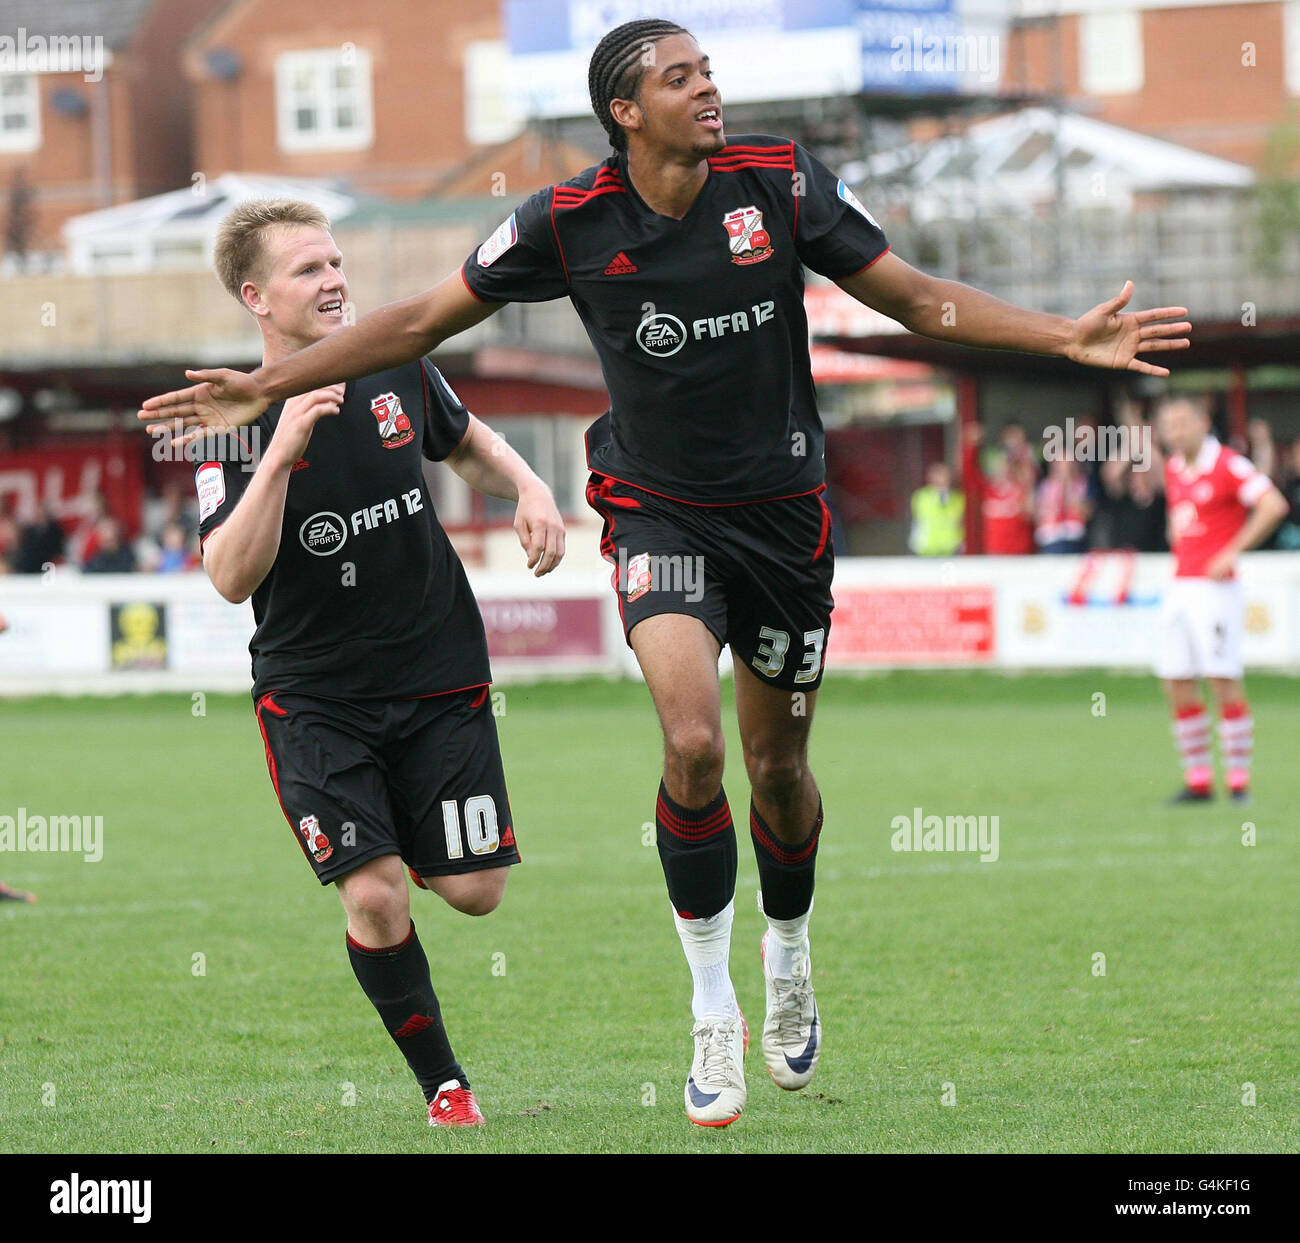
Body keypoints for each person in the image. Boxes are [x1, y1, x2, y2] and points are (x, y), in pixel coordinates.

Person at [139, 18, 1192, 1128]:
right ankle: (711, 1007)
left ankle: (788, 953)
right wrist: (270, 391)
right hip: (656, 514)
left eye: (708, 72)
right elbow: (418, 318)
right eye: (679, 78)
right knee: (691, 742)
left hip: (785, 522)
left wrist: (1061, 339)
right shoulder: (566, 219)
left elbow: (916, 298)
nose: (708, 90)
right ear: (625, 113)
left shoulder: (781, 185)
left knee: (776, 769)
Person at [168, 199, 564, 1127]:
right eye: (309, 269)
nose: (336, 278)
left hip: (437, 672)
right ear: (256, 296)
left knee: (475, 890)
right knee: (377, 896)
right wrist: (280, 451)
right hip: (316, 699)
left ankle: (412, 842)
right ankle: (446, 1084)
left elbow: (466, 442)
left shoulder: (398, 363)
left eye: (338, 261)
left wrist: (531, 484)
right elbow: (231, 574)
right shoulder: (231, 417)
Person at [1155, 395, 1286, 804]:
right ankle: (1198, 779)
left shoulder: (1228, 462)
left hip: (1216, 590)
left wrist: (1232, 550)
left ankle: (1238, 780)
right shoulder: (1174, 467)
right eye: (1168, 425)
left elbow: (1273, 504)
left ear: (1202, 423)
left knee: (1221, 678)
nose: (1175, 432)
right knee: (1176, 679)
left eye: (1182, 423)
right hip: (1181, 583)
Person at [909, 461, 964, 555]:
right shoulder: (922, 496)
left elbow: (960, 521)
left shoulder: (958, 498)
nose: (941, 479)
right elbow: (920, 516)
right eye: (937, 475)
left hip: (951, 547)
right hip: (926, 547)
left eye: (944, 475)